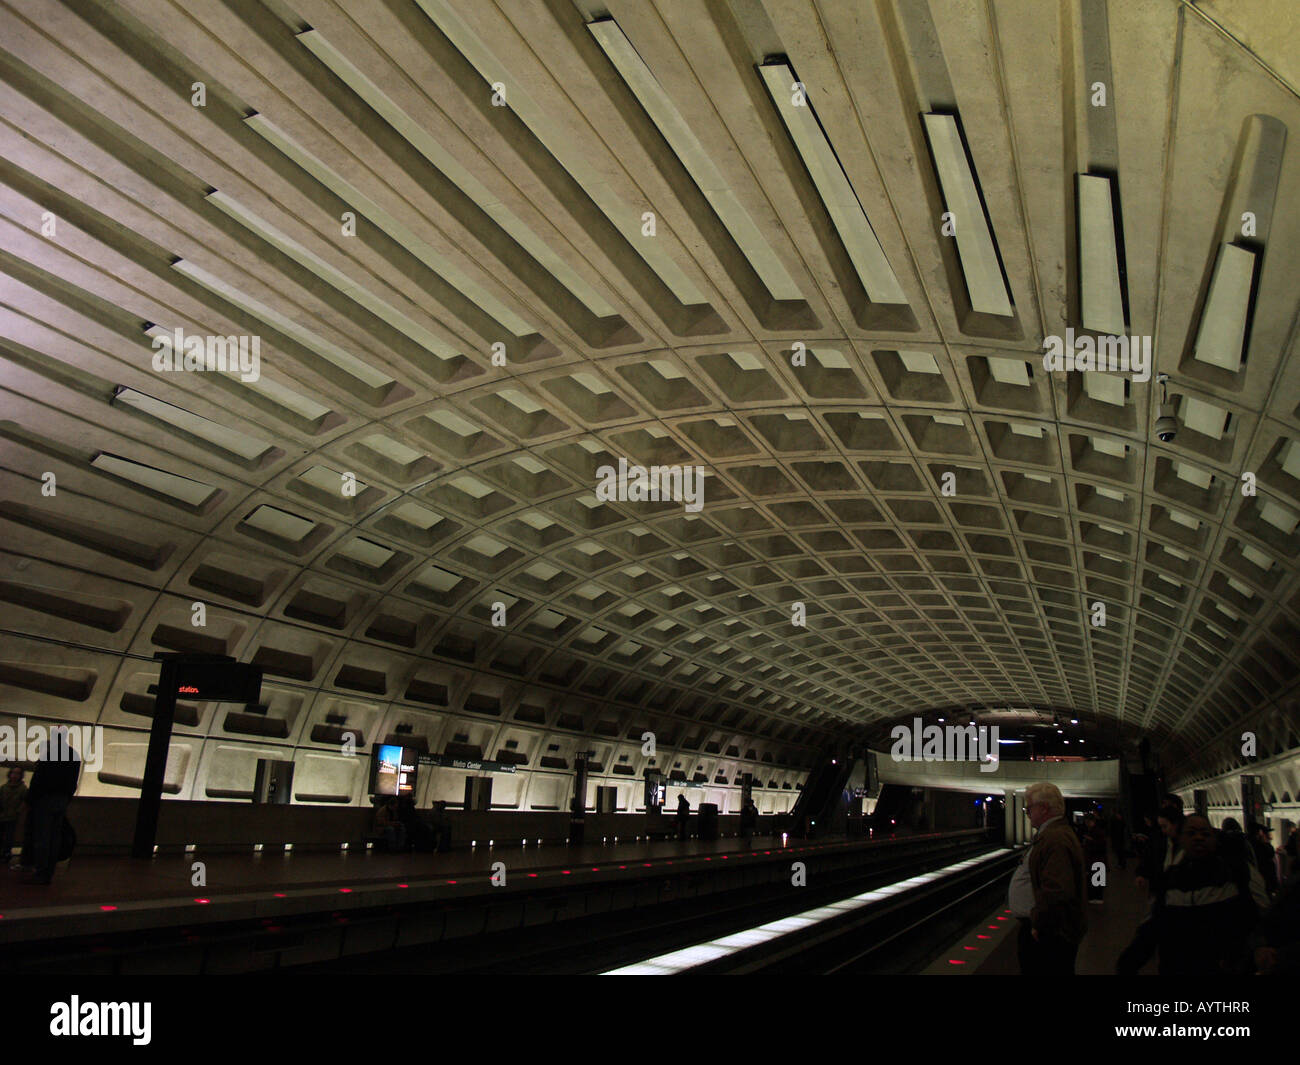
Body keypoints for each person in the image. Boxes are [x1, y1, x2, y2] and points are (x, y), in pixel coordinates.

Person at [1154, 815, 1258, 976]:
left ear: (1215, 839)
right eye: (1191, 833)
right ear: (1181, 839)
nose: (1198, 838)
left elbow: (1250, 919)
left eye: (1205, 833)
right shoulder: (1170, 880)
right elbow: (1155, 925)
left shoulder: (1233, 875)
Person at [1016, 782, 1086, 975]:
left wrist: (1039, 923)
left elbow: (1057, 889)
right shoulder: (1054, 835)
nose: (1027, 812)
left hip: (1050, 933)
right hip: (1051, 929)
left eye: (1029, 808)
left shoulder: (1055, 839)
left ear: (1044, 808)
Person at [25, 726, 80, 884]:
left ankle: (41, 872)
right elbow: (73, 781)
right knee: (54, 836)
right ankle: (49, 872)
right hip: (61, 800)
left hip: (45, 799)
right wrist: (67, 797)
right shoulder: (73, 754)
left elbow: (39, 779)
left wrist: (30, 800)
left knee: (42, 836)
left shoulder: (49, 754)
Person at [1, 766, 28, 862]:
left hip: (13, 816)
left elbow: (25, 802)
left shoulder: (22, 789)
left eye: (17, 774)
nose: (15, 776)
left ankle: (6, 854)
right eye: (13, 773)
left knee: (9, 837)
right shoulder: (4, 787)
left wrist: (18, 811)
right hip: (3, 815)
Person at [1082, 813, 1108, 903]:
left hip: (1095, 858)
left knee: (1094, 879)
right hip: (1098, 859)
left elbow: (1101, 846)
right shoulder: (1097, 831)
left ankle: (1095, 897)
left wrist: (1091, 841)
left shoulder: (1095, 832)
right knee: (1096, 879)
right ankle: (1097, 897)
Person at [1248, 822, 1279, 896]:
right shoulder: (1259, 846)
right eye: (1266, 834)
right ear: (1260, 833)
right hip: (1264, 879)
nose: (1269, 836)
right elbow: (1270, 853)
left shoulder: (1249, 844)